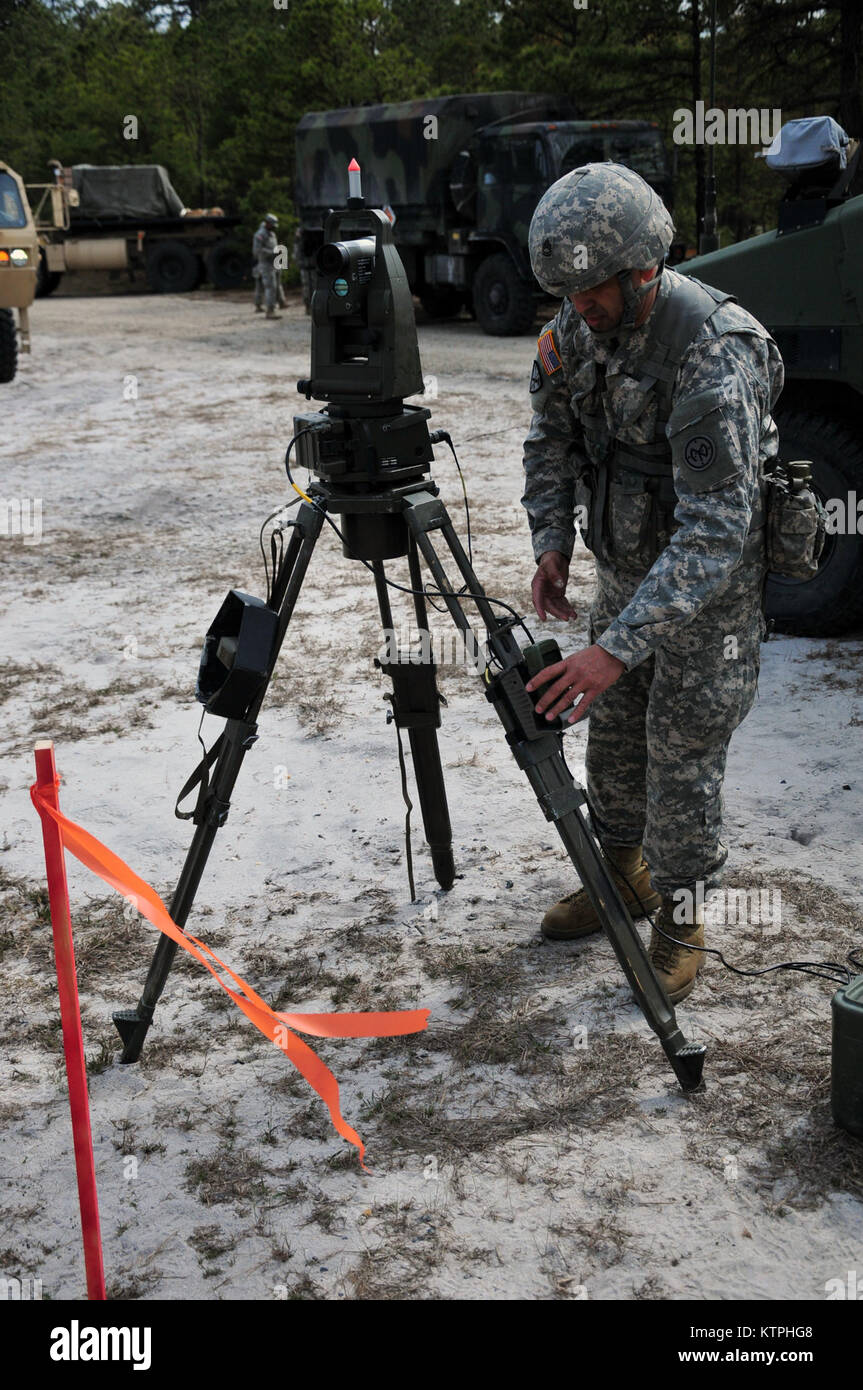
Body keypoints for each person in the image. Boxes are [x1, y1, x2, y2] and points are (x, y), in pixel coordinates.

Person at [521, 162, 784, 1003]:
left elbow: (717, 531)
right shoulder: (575, 329)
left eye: (592, 290)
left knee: (682, 748)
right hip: (624, 573)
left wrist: (615, 647)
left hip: (710, 597)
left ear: (641, 268)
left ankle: (680, 910)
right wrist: (551, 538)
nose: (579, 308)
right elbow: (549, 437)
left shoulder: (713, 347)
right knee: (614, 737)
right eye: (568, 292)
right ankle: (622, 875)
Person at [252, 213, 282, 319]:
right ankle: (270, 311)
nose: (274, 227)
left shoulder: (271, 234)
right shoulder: (260, 235)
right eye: (272, 224)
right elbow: (257, 251)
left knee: (267, 286)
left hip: (272, 264)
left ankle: (263, 306)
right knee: (271, 287)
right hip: (265, 265)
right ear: (267, 223)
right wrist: (273, 252)